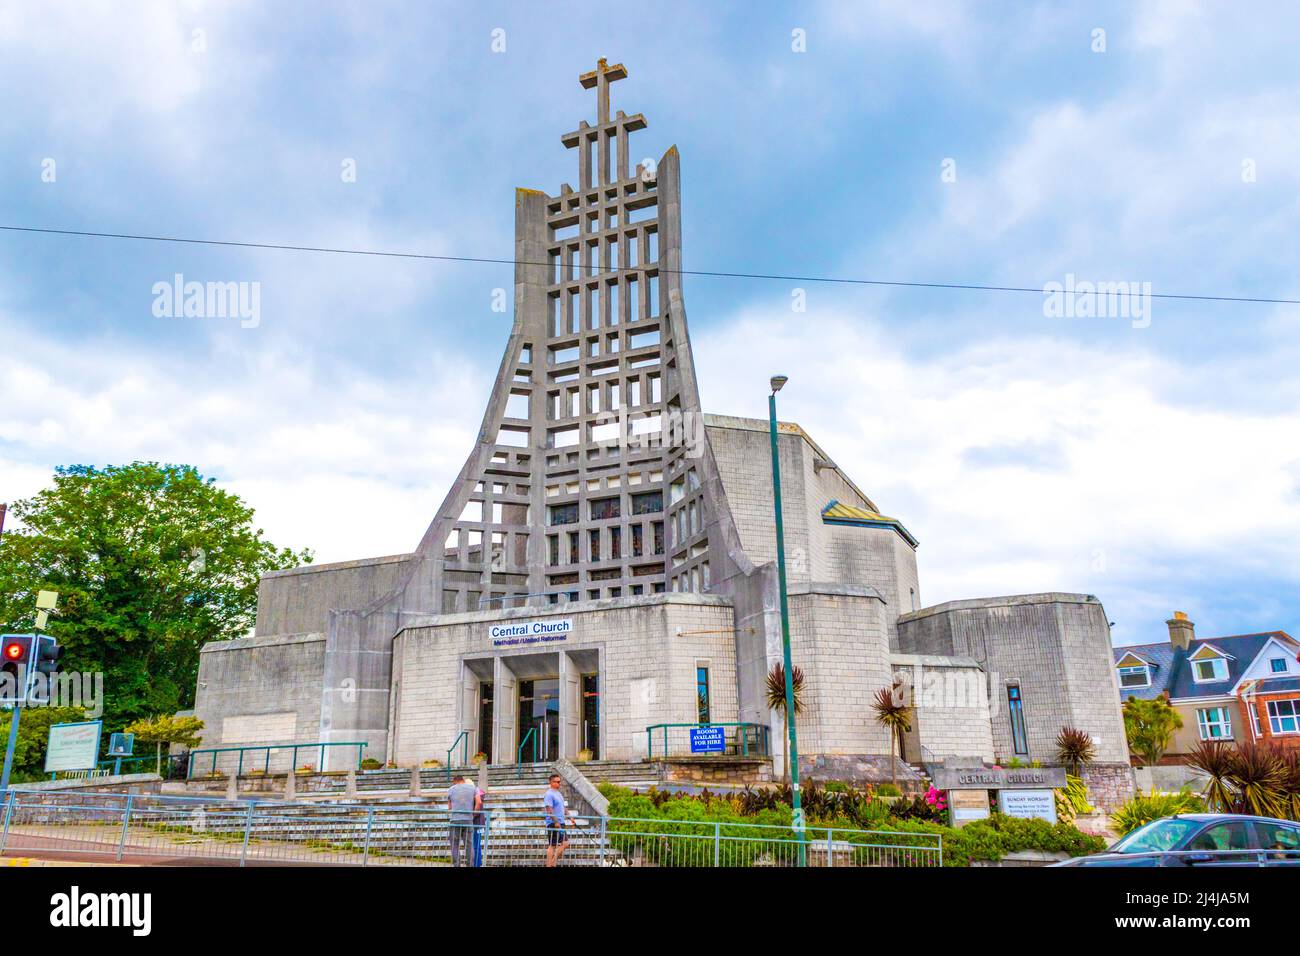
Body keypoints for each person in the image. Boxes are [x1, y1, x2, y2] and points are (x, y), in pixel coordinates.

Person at [447, 774, 480, 867]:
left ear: (455, 781)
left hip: (455, 821)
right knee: (469, 845)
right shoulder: (473, 788)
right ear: (463, 780)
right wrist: (473, 814)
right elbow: (479, 802)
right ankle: (470, 865)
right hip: (468, 820)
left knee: (455, 845)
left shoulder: (451, 789)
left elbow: (449, 807)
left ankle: (457, 865)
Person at [543, 772, 571, 867]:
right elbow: (549, 809)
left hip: (561, 822)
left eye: (559, 782)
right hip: (553, 823)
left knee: (565, 843)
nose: (558, 784)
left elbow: (563, 807)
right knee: (553, 845)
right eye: (556, 782)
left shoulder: (558, 794)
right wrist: (555, 821)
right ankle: (549, 864)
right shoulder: (549, 794)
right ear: (551, 782)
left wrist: (570, 817)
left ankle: (552, 862)